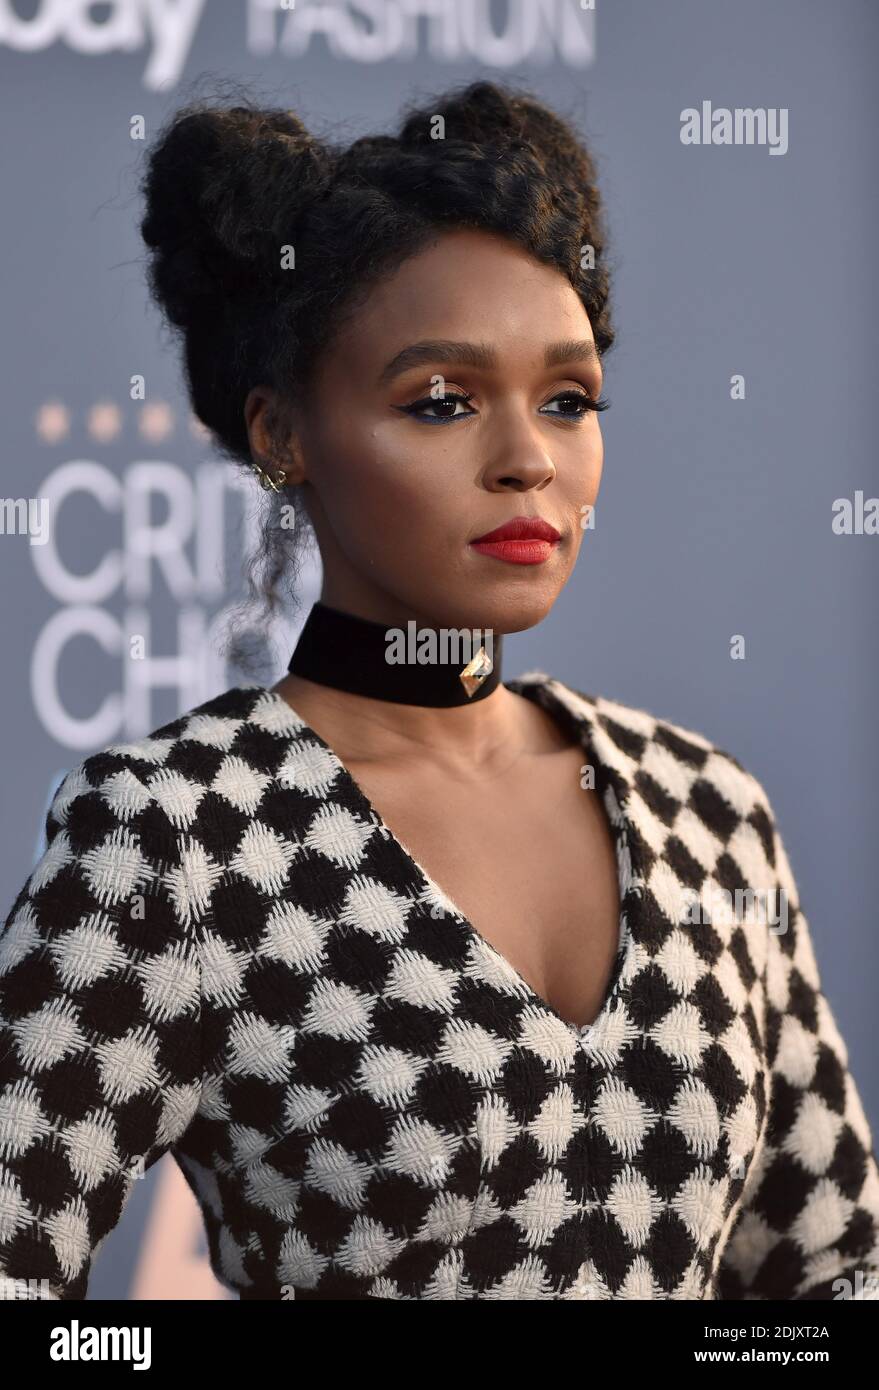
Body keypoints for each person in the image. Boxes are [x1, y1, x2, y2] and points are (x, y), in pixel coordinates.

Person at [1, 79, 877, 1302]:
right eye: (443, 402)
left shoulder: (708, 810)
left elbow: (836, 1270)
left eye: (568, 400)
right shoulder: (175, 837)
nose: (528, 457)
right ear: (281, 435)